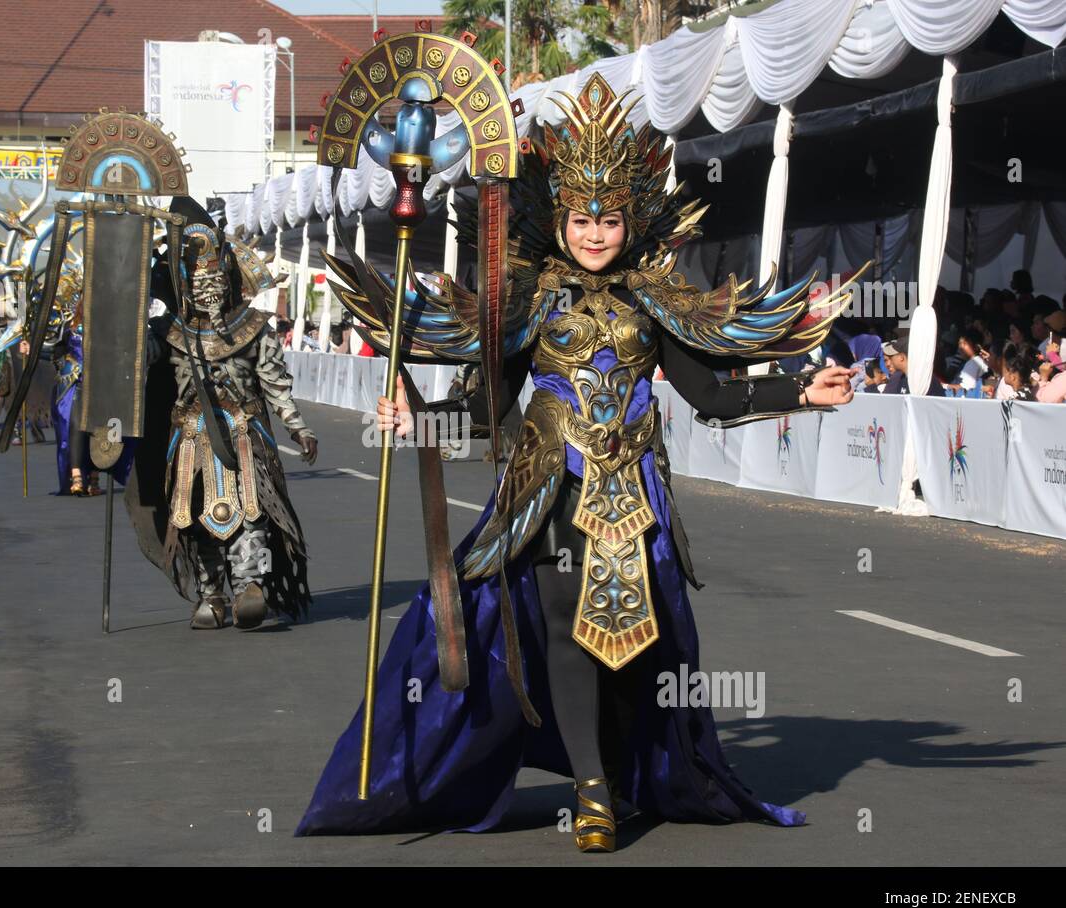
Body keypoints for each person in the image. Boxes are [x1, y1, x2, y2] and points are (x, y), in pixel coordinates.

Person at [296, 73, 855, 852]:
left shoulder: (657, 301)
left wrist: (804, 390)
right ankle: (592, 796)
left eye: (610, 218)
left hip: (638, 498)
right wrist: (416, 421)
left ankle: (626, 773)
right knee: (565, 632)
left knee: (638, 645)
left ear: (633, 221)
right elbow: (487, 410)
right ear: (557, 218)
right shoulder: (524, 301)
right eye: (582, 217)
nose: (596, 232)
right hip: (549, 493)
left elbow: (713, 397)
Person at [125, 198, 317, 631]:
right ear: (184, 284)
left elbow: (275, 384)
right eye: (199, 279)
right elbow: (138, 363)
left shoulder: (255, 329)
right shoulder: (167, 332)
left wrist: (297, 426)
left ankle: (249, 585)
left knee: (252, 513)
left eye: (215, 277)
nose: (208, 286)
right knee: (193, 517)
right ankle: (210, 594)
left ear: (229, 277)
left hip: (246, 438)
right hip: (188, 440)